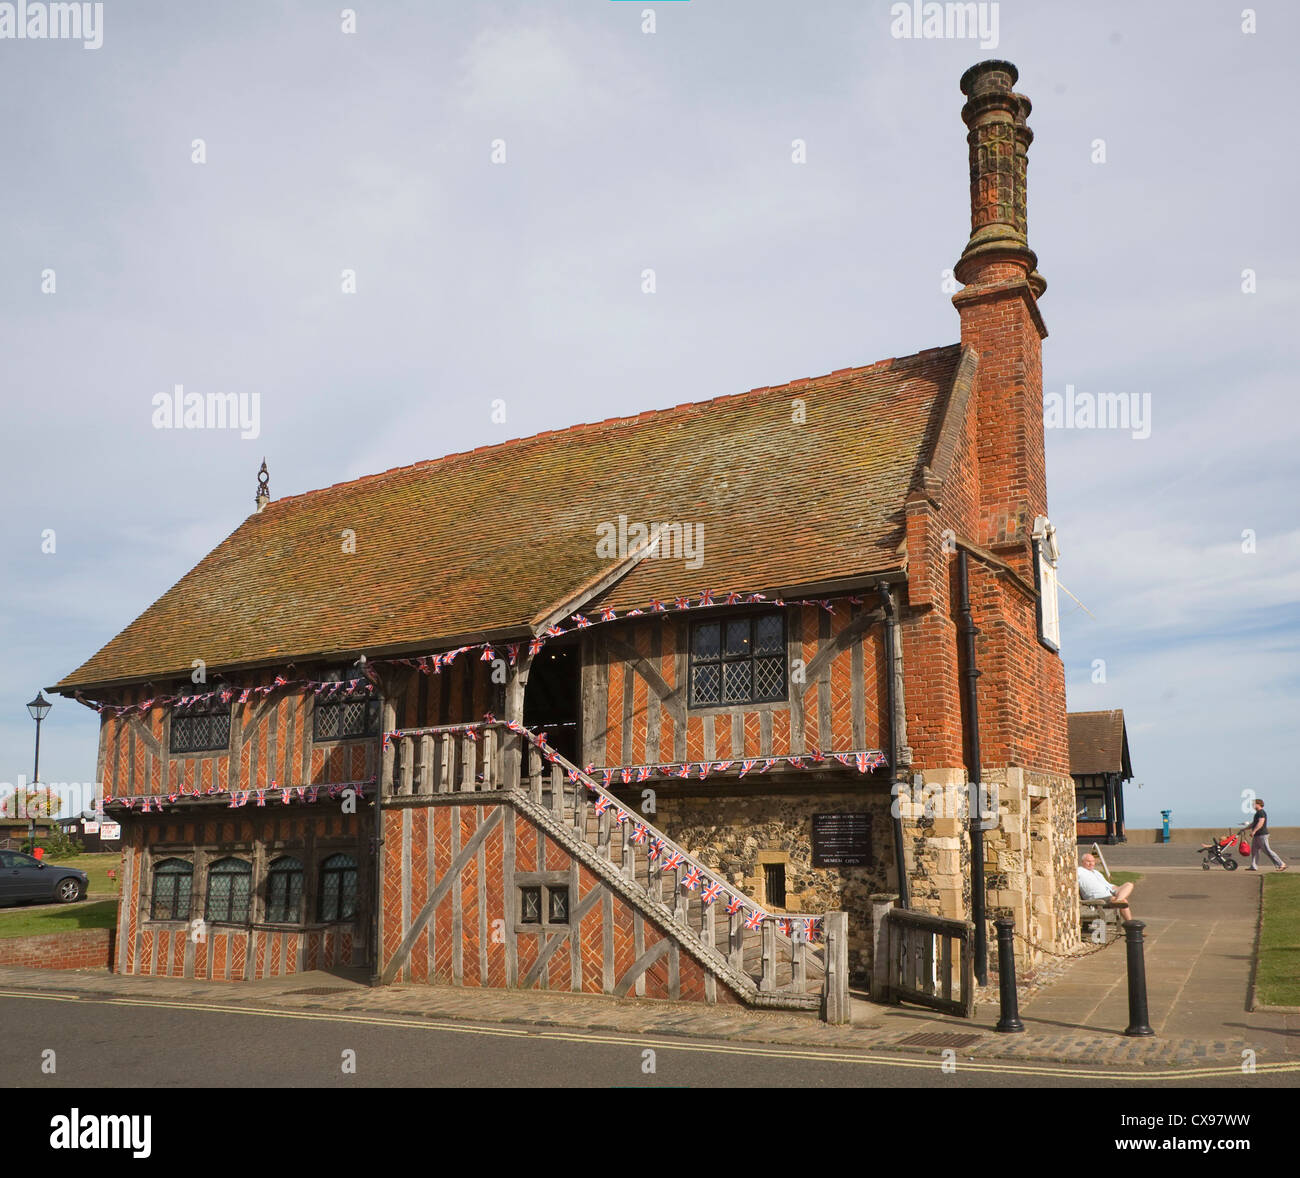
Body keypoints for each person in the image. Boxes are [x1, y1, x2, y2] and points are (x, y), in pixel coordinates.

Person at [1077, 852, 1133, 920]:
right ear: (1082, 862)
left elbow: (1108, 885)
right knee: (1124, 901)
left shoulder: (1096, 873)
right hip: (1098, 898)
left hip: (1109, 893)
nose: (1091, 863)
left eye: (1093, 861)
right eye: (1088, 861)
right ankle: (1130, 924)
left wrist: (1118, 888)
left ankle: (1118, 900)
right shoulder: (1079, 871)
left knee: (1129, 885)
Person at [1245, 799, 1287, 872]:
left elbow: (1260, 823)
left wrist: (1254, 831)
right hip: (1257, 835)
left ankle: (1281, 864)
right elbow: (1253, 823)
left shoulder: (1261, 812)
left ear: (1258, 804)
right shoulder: (1257, 813)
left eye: (1254, 804)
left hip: (1262, 834)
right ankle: (1254, 866)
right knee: (1254, 851)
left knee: (1267, 850)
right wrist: (1245, 828)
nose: (1252, 805)